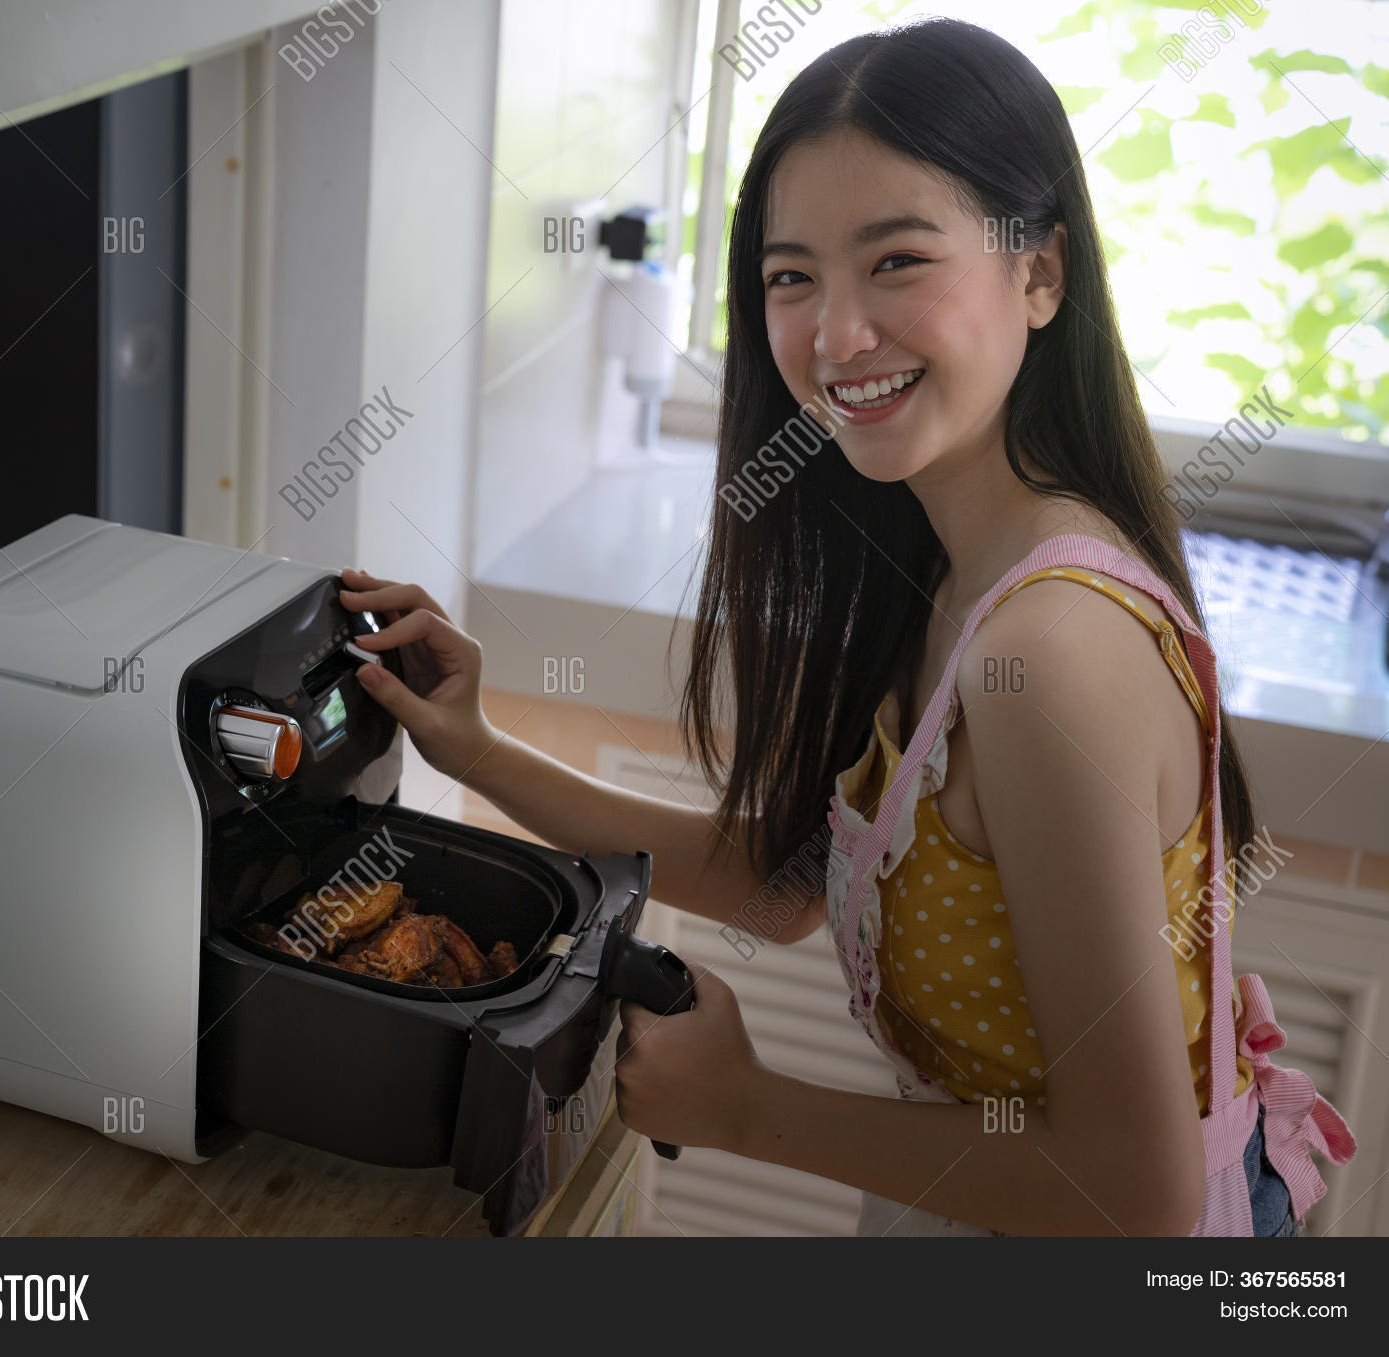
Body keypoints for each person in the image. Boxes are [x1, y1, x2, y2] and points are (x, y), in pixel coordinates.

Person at [340, 17, 1354, 1236]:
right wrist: (480, 746)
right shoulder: (947, 561)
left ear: (1040, 274)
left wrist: (751, 1110)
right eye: (791, 276)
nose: (834, 334)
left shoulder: (1050, 652)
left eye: (897, 261)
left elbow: (1133, 1191)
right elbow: (791, 883)